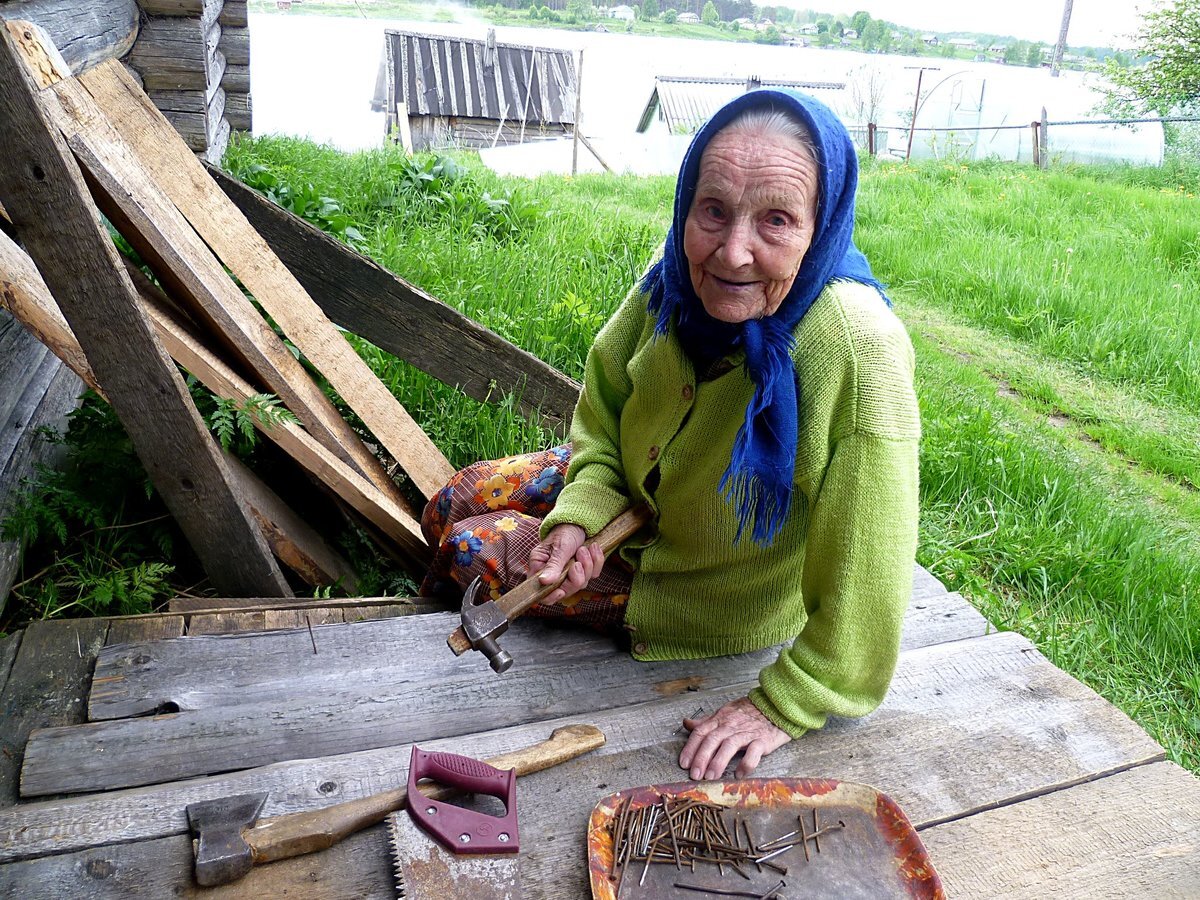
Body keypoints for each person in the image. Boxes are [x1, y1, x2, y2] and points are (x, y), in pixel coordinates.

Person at [421, 89, 920, 781]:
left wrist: (789, 701)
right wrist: (580, 515)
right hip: (631, 488)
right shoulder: (675, 280)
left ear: (822, 222)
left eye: (776, 220)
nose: (733, 251)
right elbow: (602, 410)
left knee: (467, 546)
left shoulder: (854, 347)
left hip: (700, 579)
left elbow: (875, 558)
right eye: (712, 210)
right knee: (454, 497)